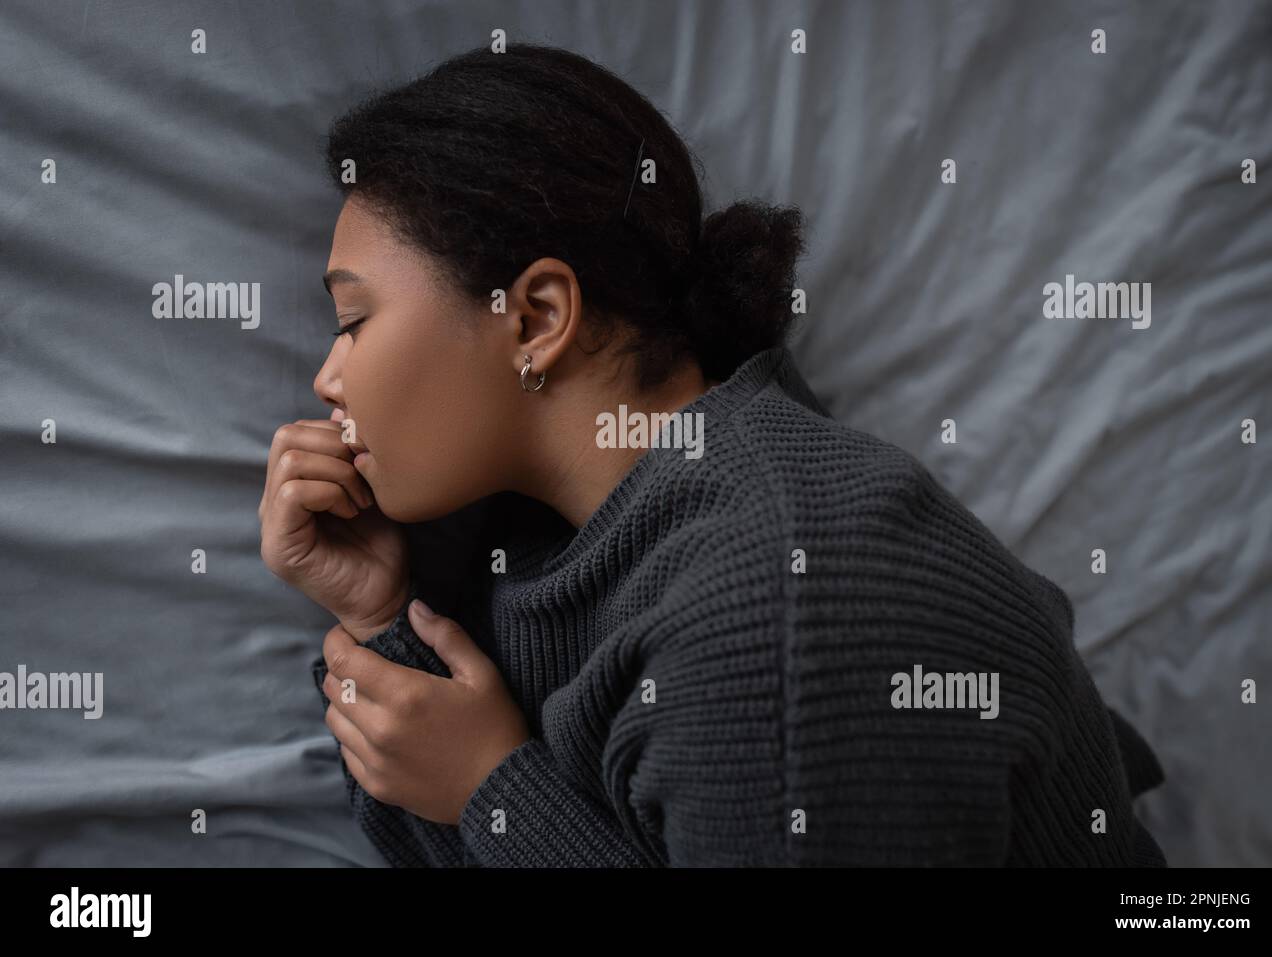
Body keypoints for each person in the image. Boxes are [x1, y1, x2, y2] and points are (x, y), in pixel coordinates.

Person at [259, 42, 1166, 866]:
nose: (327, 378)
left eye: (354, 322)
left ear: (534, 318)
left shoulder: (777, 617)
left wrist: (498, 793)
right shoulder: (545, 535)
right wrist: (382, 618)